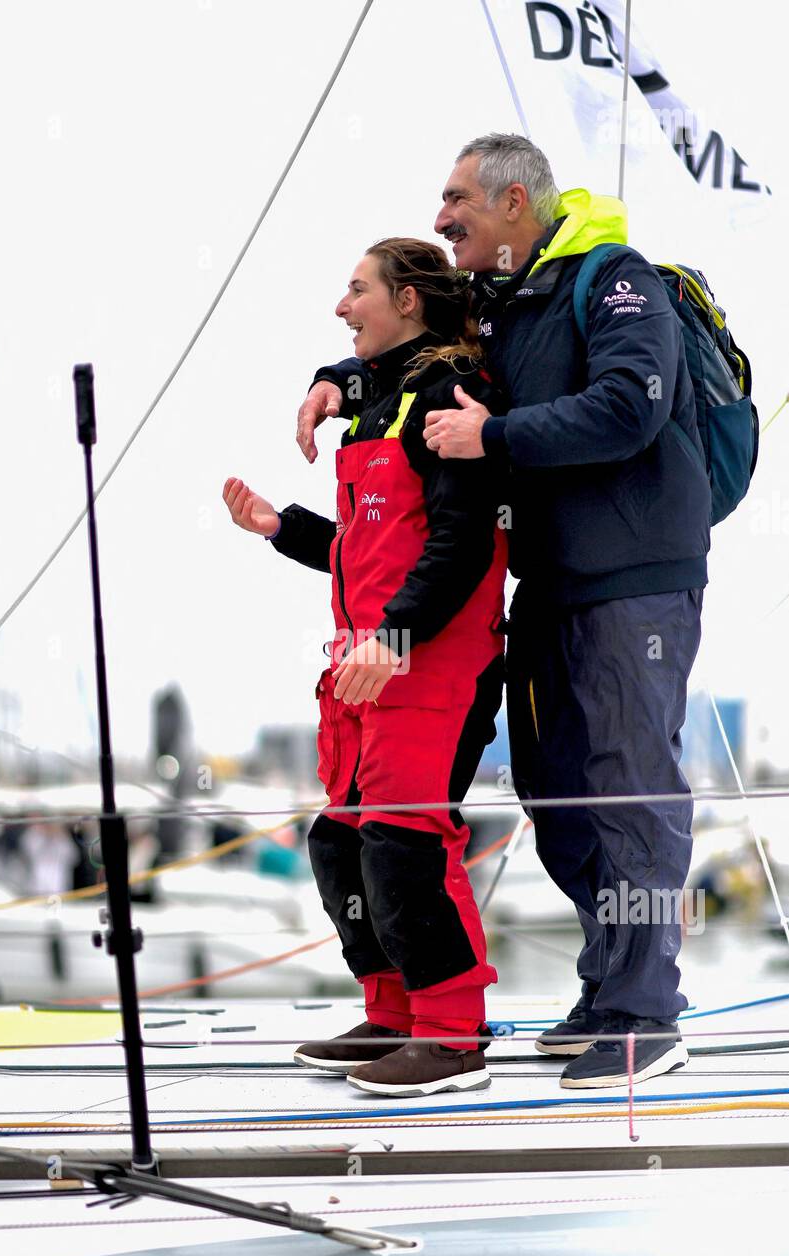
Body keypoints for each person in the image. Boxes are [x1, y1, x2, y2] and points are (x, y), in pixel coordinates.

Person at [296, 135, 711, 1090]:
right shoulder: (504, 300)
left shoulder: (613, 281)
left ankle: (646, 1010)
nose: (442, 221)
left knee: (628, 791)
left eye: (456, 202)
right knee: (555, 790)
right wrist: (339, 379)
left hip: (632, 577)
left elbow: (630, 404)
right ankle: (606, 989)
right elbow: (428, 360)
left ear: (513, 201)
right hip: (548, 582)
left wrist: (496, 433)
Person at [224, 237, 507, 1097]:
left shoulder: (449, 399)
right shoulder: (378, 402)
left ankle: (452, 1033)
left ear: (408, 301)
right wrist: (285, 530)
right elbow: (369, 549)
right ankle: (392, 1009)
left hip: (431, 662)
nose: (341, 308)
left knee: (404, 841)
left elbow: (463, 543)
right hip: (364, 669)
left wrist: (395, 638)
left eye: (356, 291)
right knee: (339, 842)